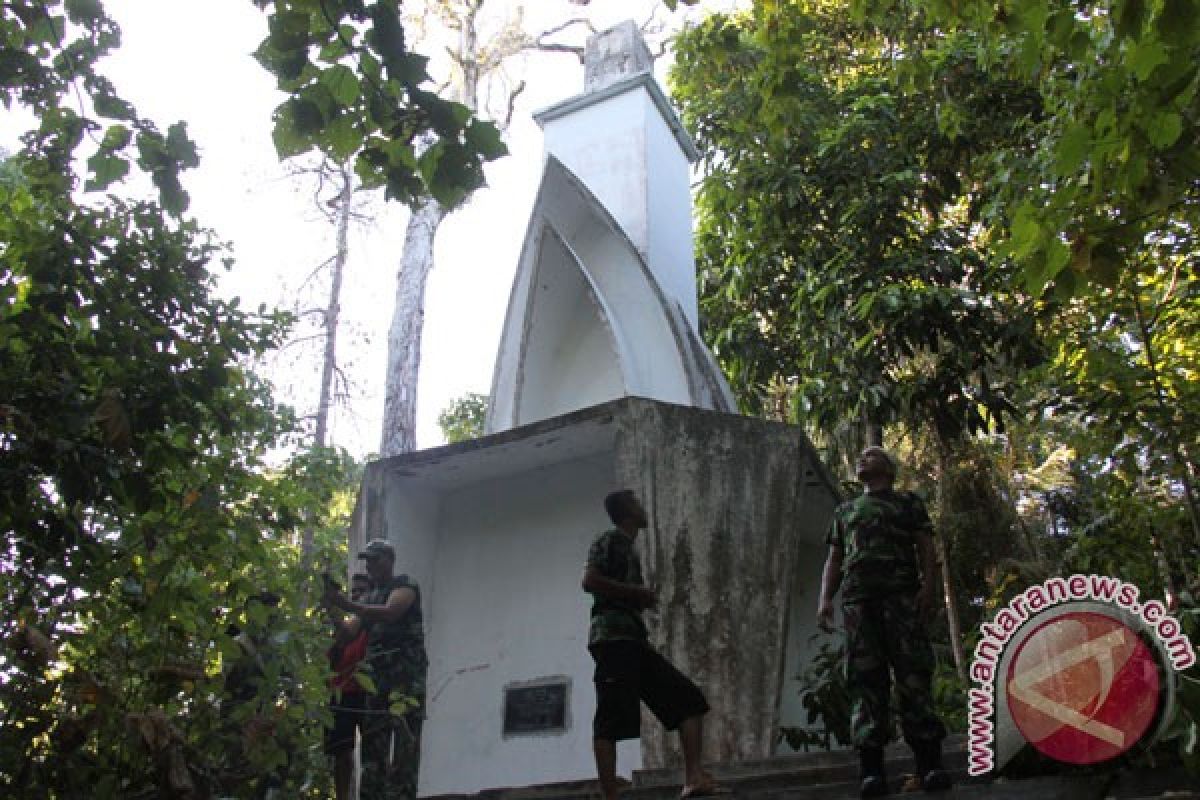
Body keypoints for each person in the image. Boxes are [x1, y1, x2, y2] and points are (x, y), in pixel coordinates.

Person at [816, 447, 951, 797]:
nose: (862, 457)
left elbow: (925, 548)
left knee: (913, 676)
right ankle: (872, 771)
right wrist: (824, 601)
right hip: (859, 605)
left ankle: (930, 765)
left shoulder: (908, 503)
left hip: (902, 600)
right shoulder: (845, 511)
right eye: (859, 456)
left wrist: (929, 589)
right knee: (865, 681)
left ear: (889, 470)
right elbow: (834, 559)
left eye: (872, 455)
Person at [582, 489, 724, 800]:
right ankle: (610, 796)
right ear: (628, 511)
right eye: (638, 503)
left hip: (634, 641)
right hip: (613, 639)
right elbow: (589, 581)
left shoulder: (629, 548)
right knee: (609, 719)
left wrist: (639, 598)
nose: (643, 508)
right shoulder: (608, 540)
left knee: (689, 700)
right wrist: (636, 594)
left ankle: (693, 778)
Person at [323, 539, 427, 800]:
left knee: (405, 745)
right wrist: (332, 607)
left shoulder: (404, 585)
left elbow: (391, 611)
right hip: (377, 682)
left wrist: (348, 605)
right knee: (373, 748)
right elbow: (347, 634)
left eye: (375, 559)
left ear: (390, 560)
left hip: (405, 682)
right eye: (367, 561)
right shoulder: (369, 597)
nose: (370, 566)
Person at [325, 572, 372, 800]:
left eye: (361, 591)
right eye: (353, 591)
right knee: (342, 752)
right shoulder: (345, 626)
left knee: (372, 751)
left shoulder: (373, 621)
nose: (356, 595)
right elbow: (331, 660)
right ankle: (342, 796)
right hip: (341, 692)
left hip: (366, 693)